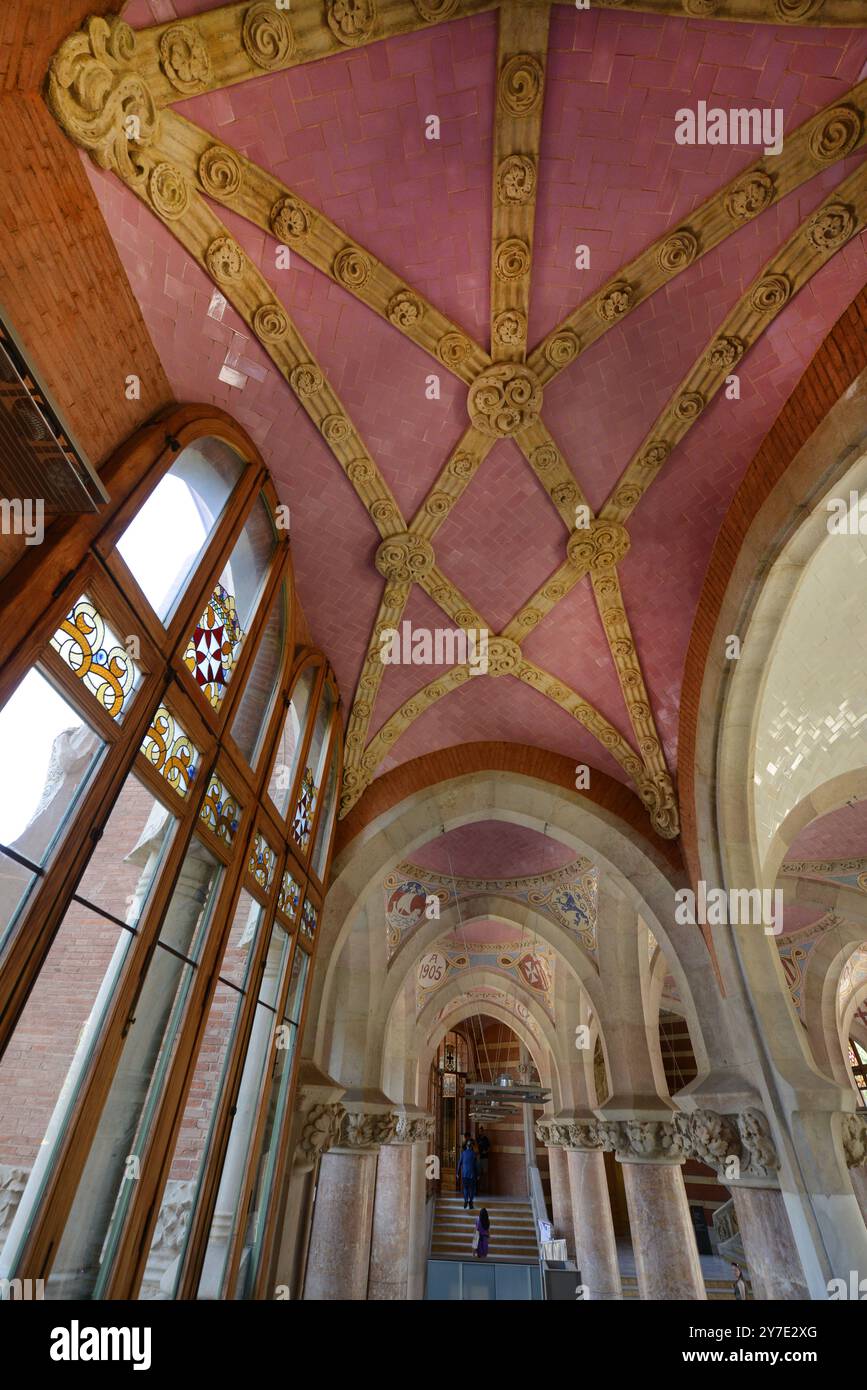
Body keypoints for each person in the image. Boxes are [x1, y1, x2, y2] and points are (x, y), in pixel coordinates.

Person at [457, 1139, 479, 1209]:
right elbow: (476, 1165)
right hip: (472, 1175)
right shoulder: (473, 1154)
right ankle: (471, 1202)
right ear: (471, 1146)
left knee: (465, 1188)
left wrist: (457, 1173)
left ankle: (466, 1200)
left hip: (464, 1174)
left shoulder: (463, 1153)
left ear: (466, 1146)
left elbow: (459, 1163)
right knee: (472, 1189)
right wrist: (478, 1174)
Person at [476, 1127, 490, 1192]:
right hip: (479, 1158)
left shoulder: (486, 1139)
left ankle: (485, 1187)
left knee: (485, 1173)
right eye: (479, 1131)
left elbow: (489, 1147)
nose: (480, 1132)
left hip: (484, 1158)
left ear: (483, 1131)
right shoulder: (477, 1139)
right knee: (479, 1173)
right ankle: (479, 1187)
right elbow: (475, 1147)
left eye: (481, 1131)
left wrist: (486, 1151)